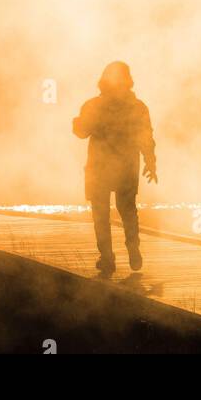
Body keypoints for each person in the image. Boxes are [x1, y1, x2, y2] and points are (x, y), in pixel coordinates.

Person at [72, 61, 157, 275]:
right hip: (127, 165)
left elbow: (82, 132)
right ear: (128, 80)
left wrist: (76, 122)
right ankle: (133, 246)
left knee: (100, 213)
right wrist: (150, 162)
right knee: (128, 209)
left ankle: (107, 258)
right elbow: (146, 137)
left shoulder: (94, 105)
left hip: (99, 166)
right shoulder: (138, 107)